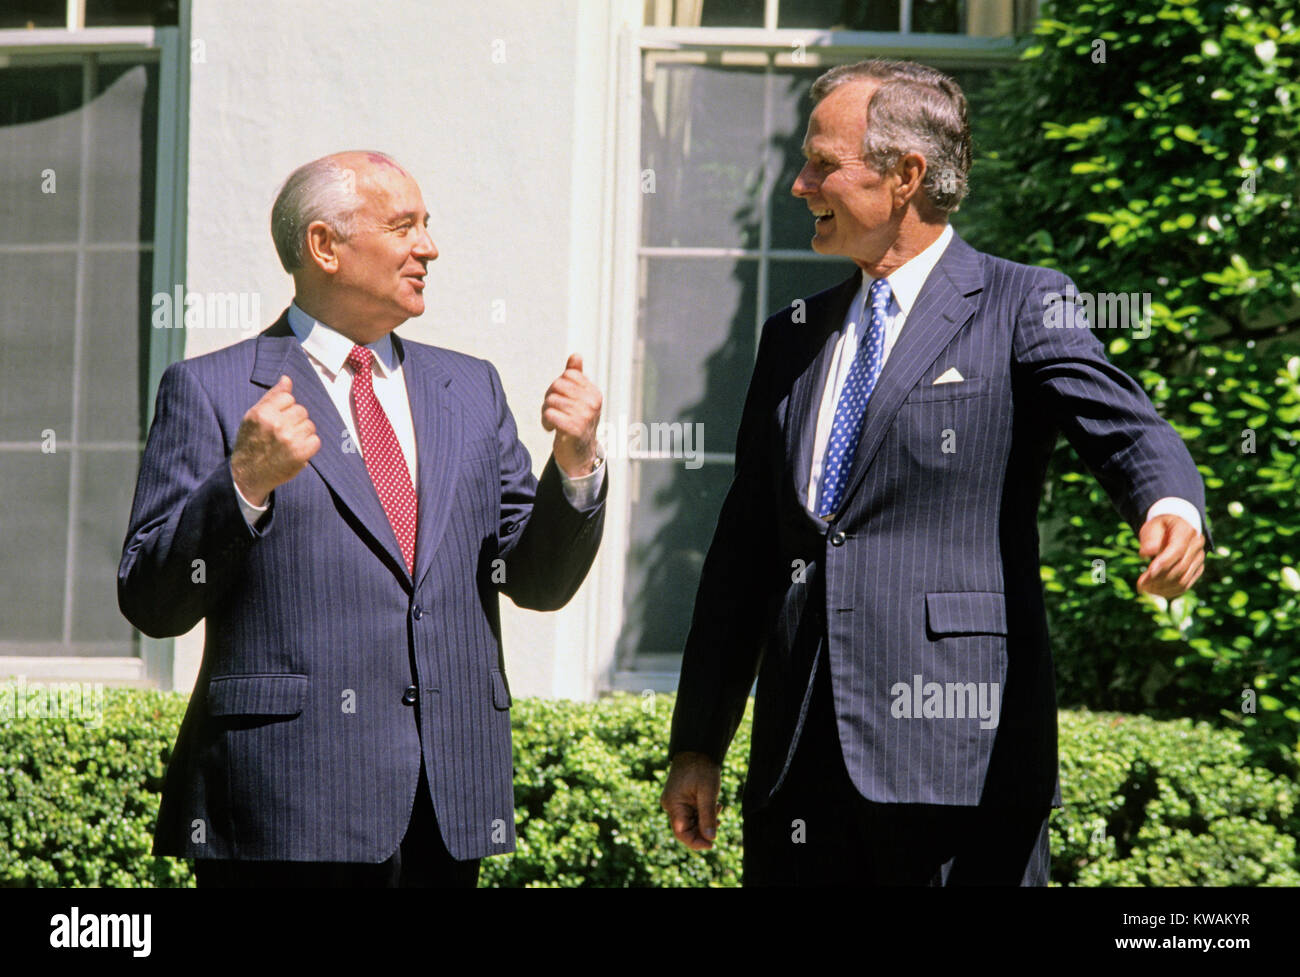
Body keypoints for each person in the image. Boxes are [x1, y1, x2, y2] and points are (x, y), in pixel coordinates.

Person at [659, 61, 1207, 886]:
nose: (800, 184)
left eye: (822, 163)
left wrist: (1169, 505)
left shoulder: (1022, 303)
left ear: (906, 175)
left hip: (960, 766)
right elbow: (743, 558)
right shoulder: (791, 337)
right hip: (798, 774)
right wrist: (699, 741)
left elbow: (1125, 425)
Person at [119, 150, 607, 887]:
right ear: (325, 247)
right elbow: (152, 600)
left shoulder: (469, 388)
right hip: (284, 810)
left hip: (446, 809)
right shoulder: (212, 391)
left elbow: (534, 580)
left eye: (427, 225)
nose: (429, 247)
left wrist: (574, 465)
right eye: (403, 225)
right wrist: (242, 482)